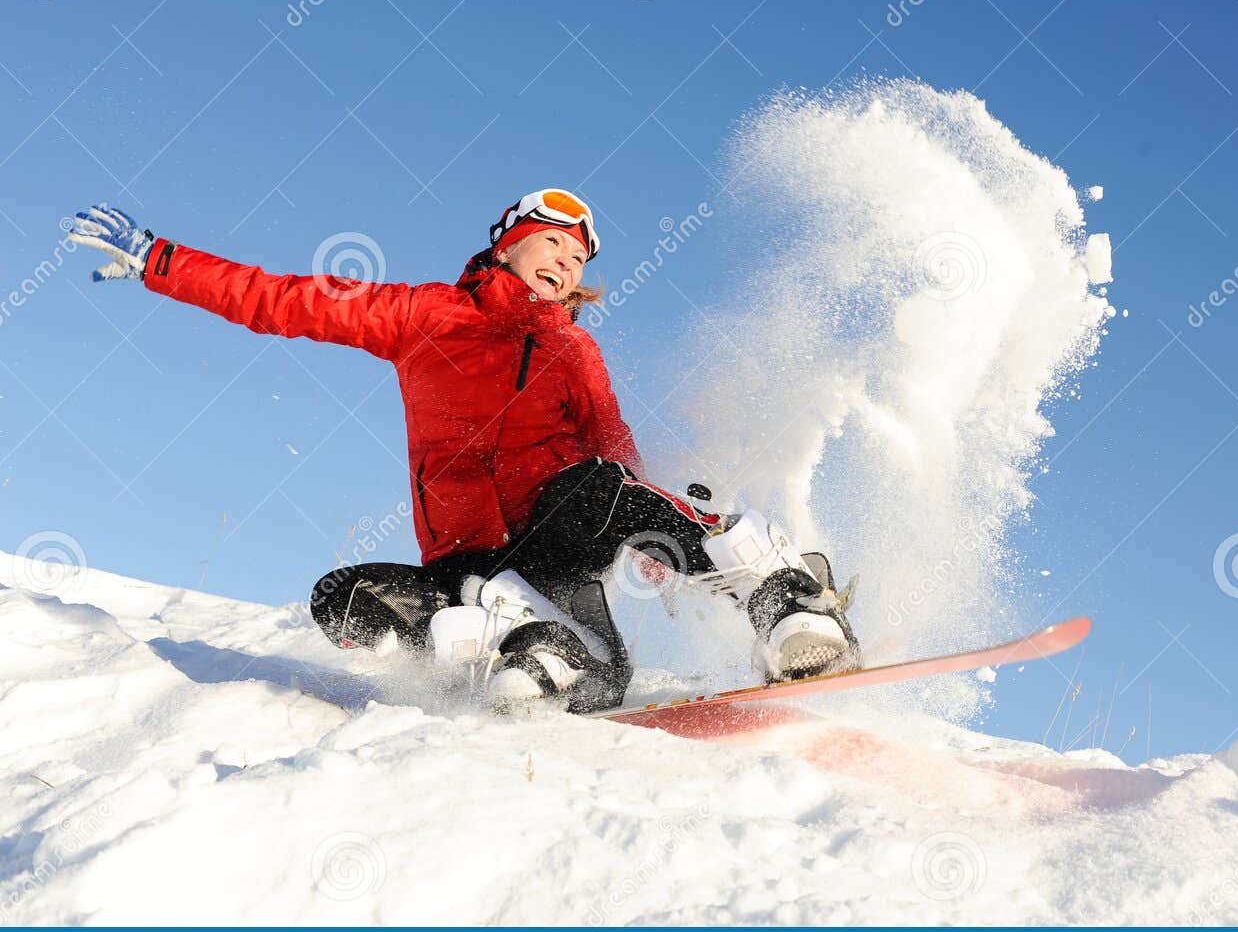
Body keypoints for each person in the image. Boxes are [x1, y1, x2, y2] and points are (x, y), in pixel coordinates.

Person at [68, 193, 859, 713]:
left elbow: (618, 461)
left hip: (557, 542)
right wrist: (161, 260)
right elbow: (283, 300)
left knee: (593, 494)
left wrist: (657, 547)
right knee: (344, 597)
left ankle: (778, 598)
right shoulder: (422, 315)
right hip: (475, 566)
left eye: (579, 259)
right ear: (510, 245)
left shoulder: (574, 352)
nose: (566, 264)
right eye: (552, 243)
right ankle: (526, 657)